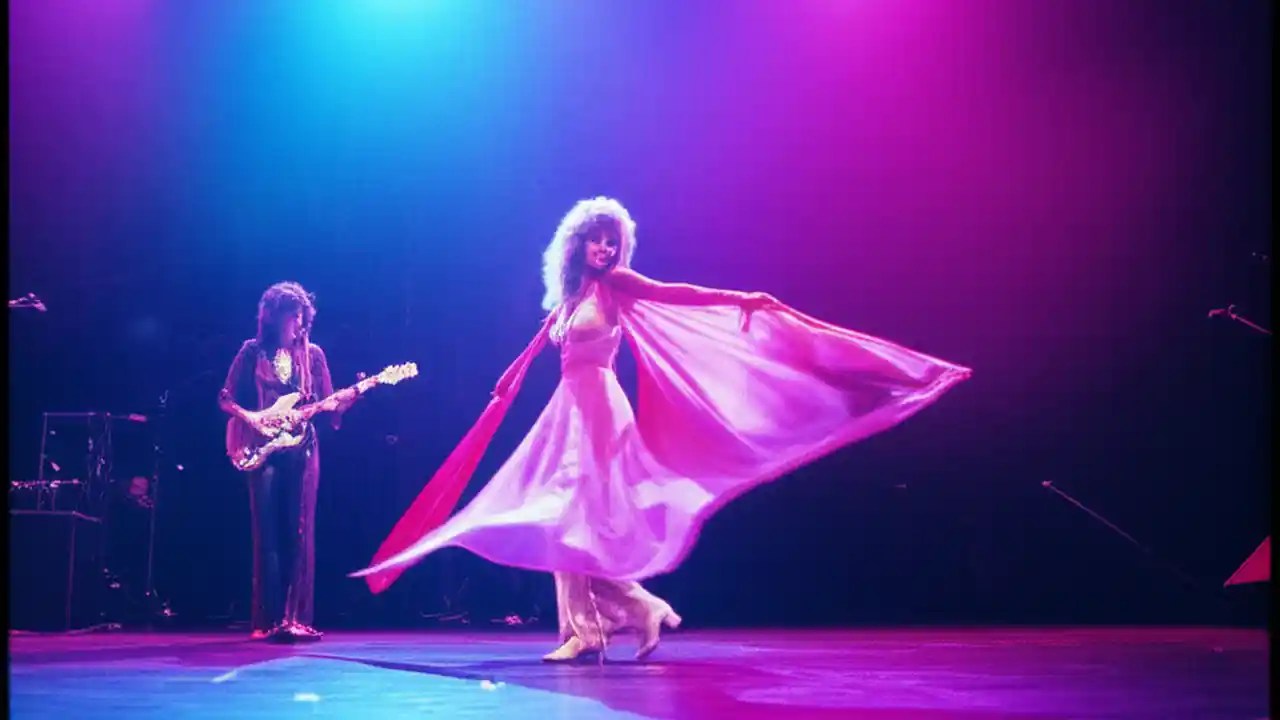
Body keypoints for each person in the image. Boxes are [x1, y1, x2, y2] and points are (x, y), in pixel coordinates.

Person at [354, 197, 971, 661]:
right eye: (594, 240)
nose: (603, 249)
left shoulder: (617, 286)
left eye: (610, 240)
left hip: (599, 413)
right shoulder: (566, 301)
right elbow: (556, 353)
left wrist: (741, 300)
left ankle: (593, 628)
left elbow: (677, 294)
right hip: (567, 413)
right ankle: (629, 614)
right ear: (575, 247)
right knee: (565, 518)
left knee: (569, 516)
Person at [219, 282, 354, 642]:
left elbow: (329, 405)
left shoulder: (314, 356)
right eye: (289, 313)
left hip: (302, 447)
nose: (297, 320)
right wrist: (254, 419)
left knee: (300, 530)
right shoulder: (252, 352)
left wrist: (345, 401)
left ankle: (298, 619)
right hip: (261, 447)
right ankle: (266, 620)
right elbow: (225, 399)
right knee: (266, 533)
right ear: (273, 316)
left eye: (300, 313)